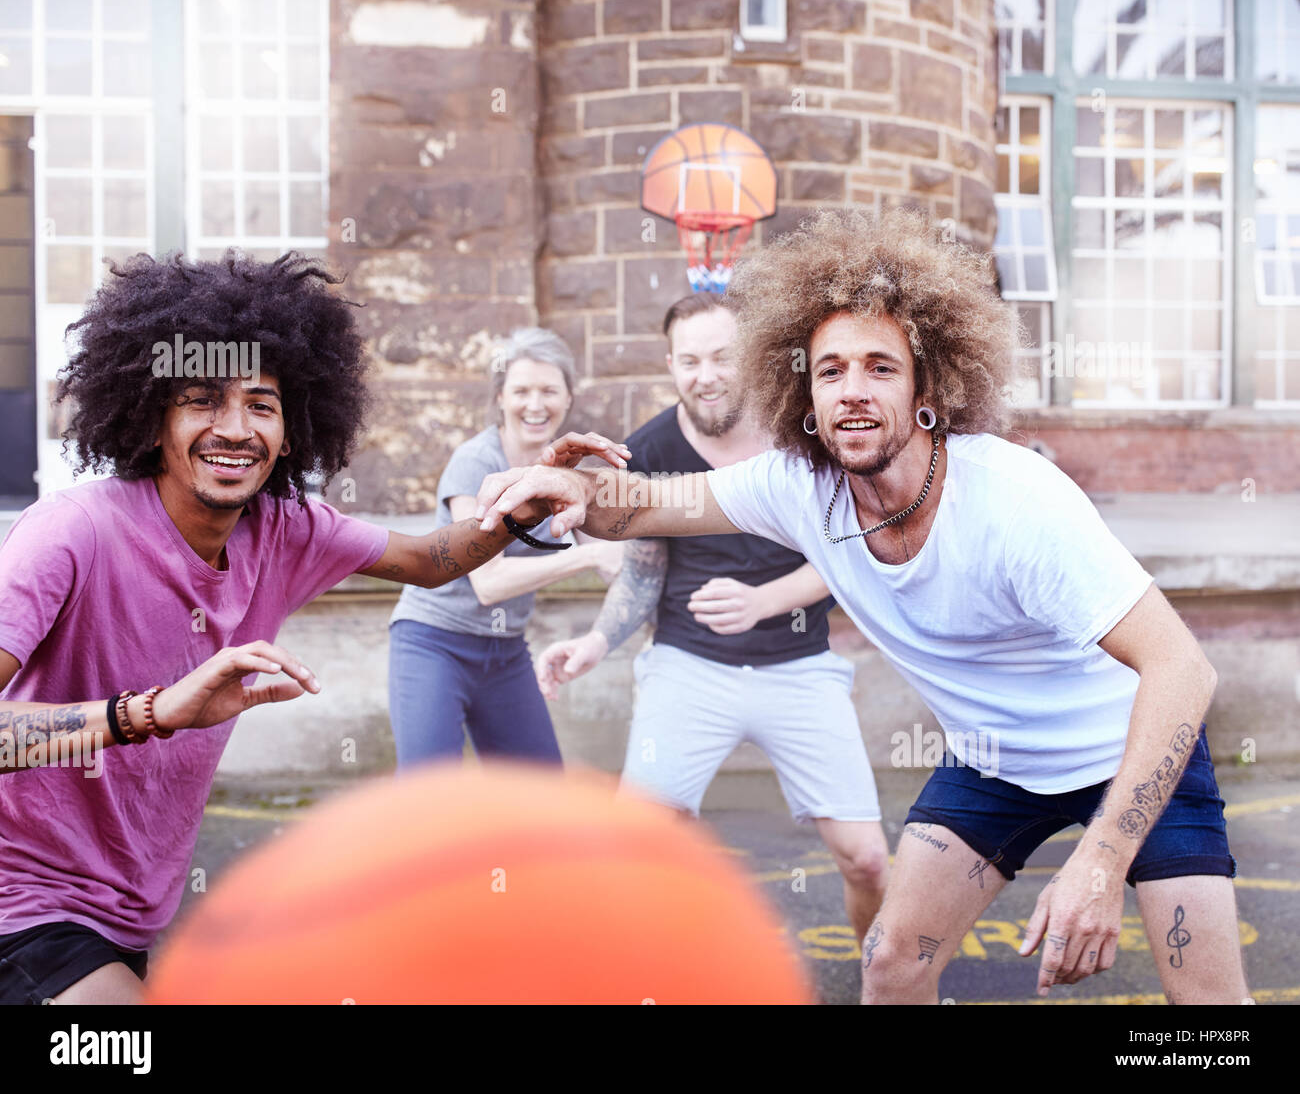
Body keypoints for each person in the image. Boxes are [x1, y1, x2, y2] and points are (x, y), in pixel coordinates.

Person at [475, 208, 1248, 1006]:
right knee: (890, 965)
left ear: (927, 388)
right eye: (830, 370)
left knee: (1209, 1010)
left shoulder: (1015, 502)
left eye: (881, 367)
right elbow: (640, 504)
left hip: (1133, 754)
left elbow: (1183, 668)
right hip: (994, 764)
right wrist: (568, 486)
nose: (852, 391)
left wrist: (1101, 861)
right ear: (803, 395)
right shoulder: (796, 486)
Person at [0, 252, 624, 1005]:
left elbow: (430, 559)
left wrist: (524, 503)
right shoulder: (71, 532)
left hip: (127, 919)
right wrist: (149, 713)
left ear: (291, 433)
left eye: (261, 405)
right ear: (152, 417)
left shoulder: (287, 529)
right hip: (22, 904)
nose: (235, 429)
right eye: (202, 401)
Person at [534, 292, 888, 944]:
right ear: (671, 364)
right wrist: (598, 642)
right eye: (690, 360)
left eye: (723, 357)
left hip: (799, 666)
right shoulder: (645, 451)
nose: (707, 375)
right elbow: (643, 573)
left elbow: (851, 553)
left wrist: (765, 601)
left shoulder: (804, 437)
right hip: (688, 667)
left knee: (867, 860)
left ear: (749, 355)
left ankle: (886, 979)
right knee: (636, 849)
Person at [387, 328, 622, 767]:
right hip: (434, 643)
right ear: (500, 398)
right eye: (521, 391)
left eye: (549, 391)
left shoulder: (569, 471)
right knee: (430, 792)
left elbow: (616, 558)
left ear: (568, 397)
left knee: (539, 791)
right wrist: (589, 557)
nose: (535, 404)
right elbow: (489, 583)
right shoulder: (477, 461)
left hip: (506, 649)